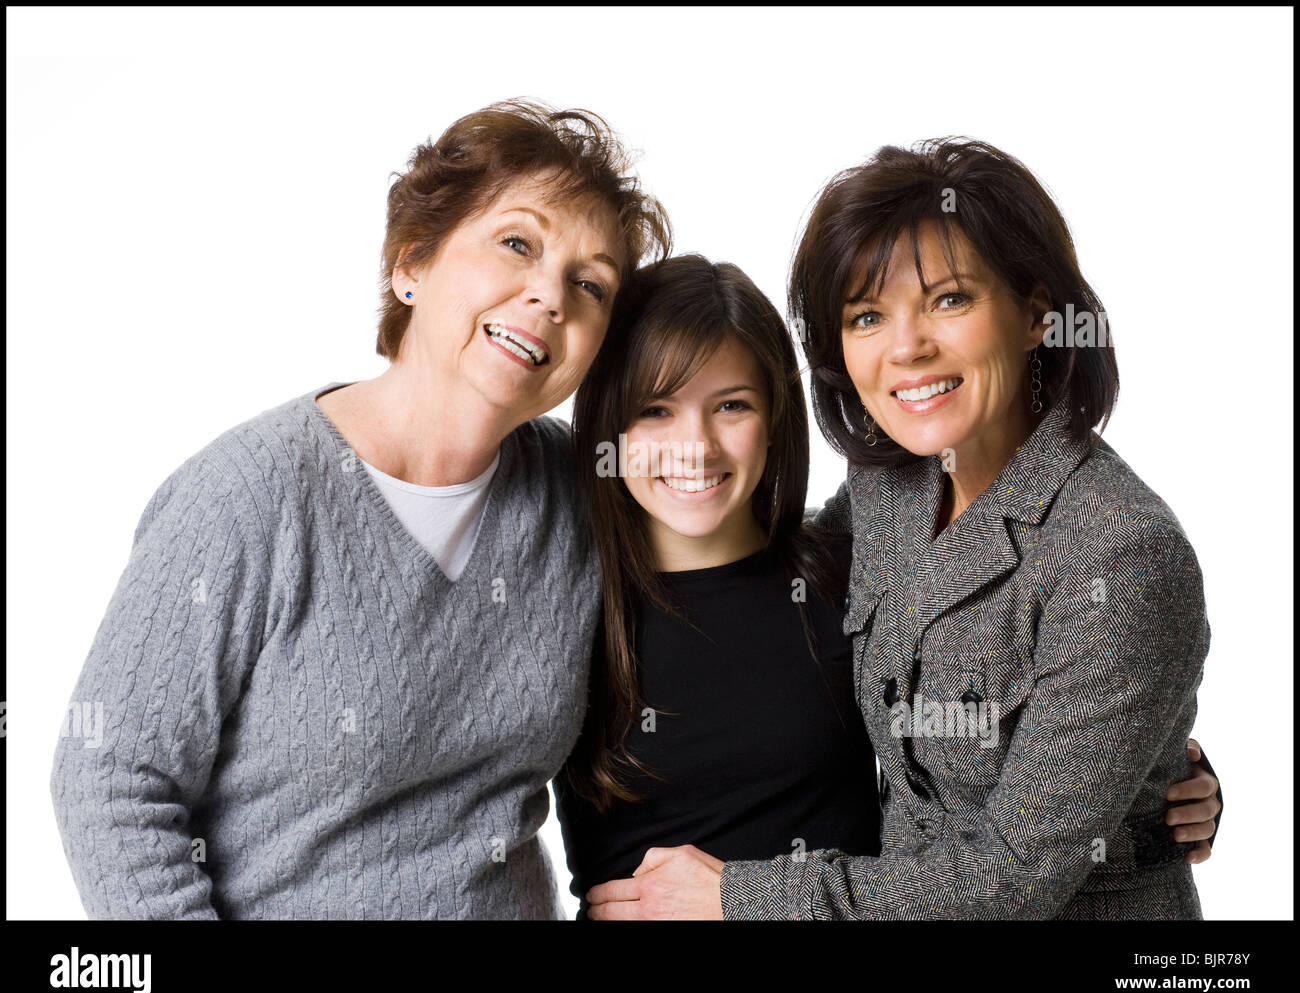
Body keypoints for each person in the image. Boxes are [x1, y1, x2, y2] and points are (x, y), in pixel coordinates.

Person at [49, 99, 671, 919]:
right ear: (411, 262)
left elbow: (735, 553)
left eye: (589, 284)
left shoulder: (583, 487)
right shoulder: (247, 496)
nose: (551, 296)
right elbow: (108, 783)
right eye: (517, 242)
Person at [572, 243, 1221, 920]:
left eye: (732, 405)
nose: (695, 447)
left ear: (776, 418)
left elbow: (1007, 774)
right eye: (654, 411)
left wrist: (1150, 794)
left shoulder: (845, 565)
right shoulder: (567, 603)